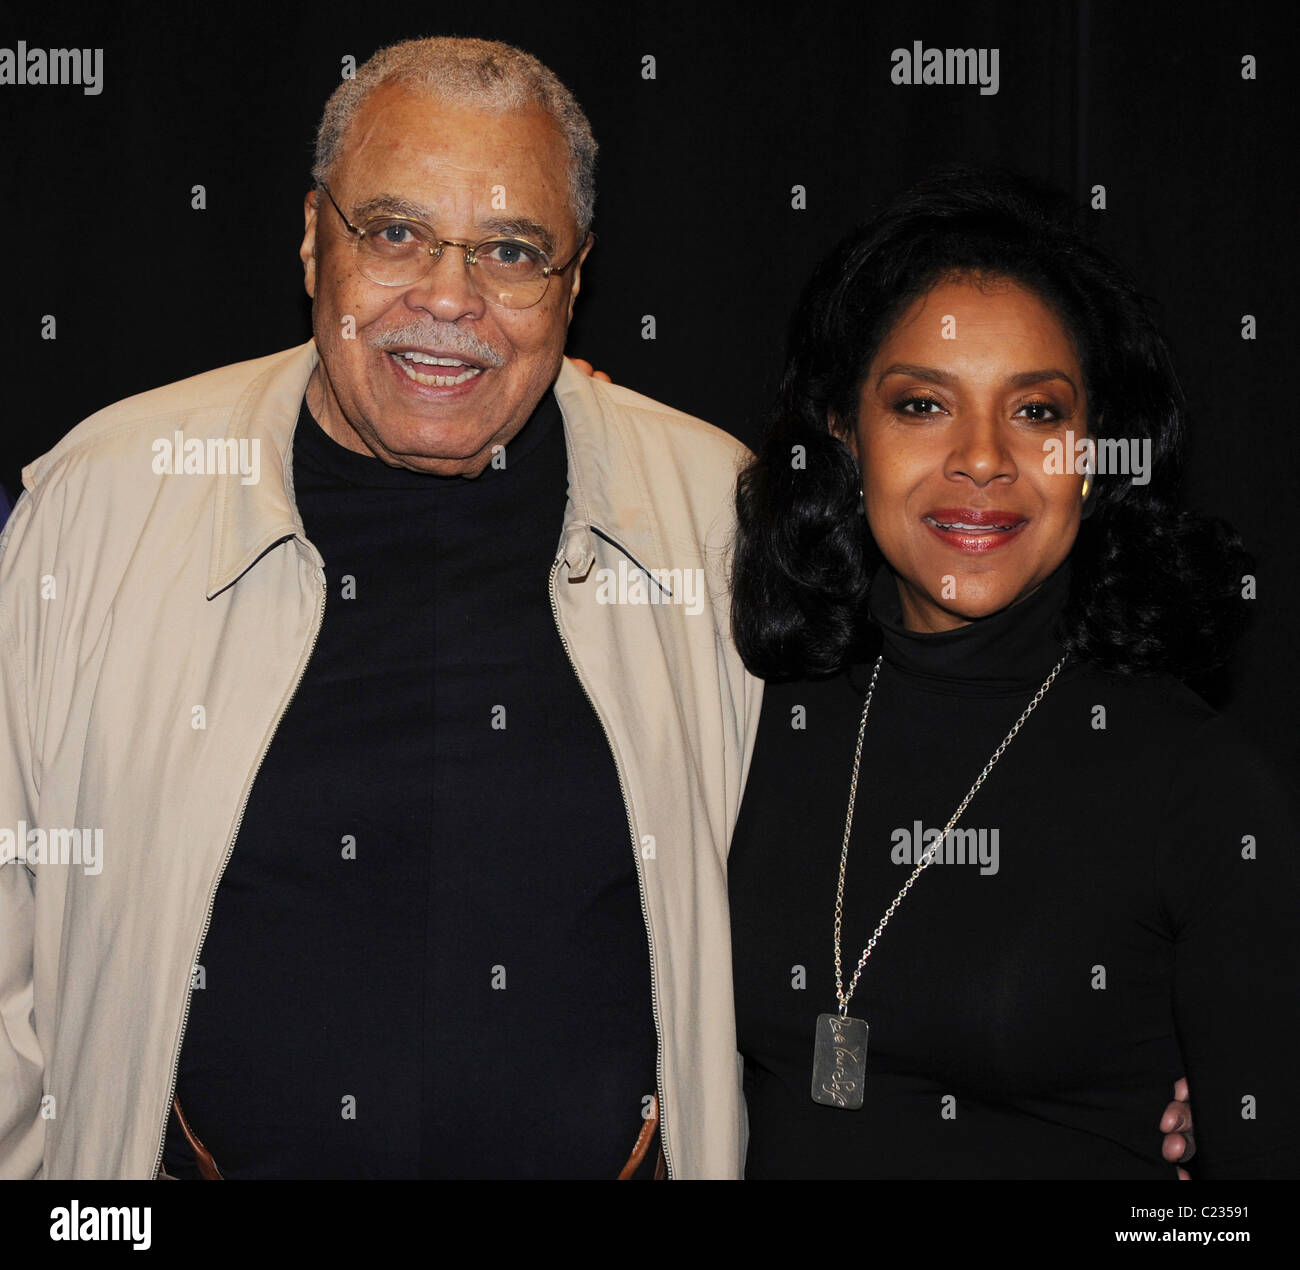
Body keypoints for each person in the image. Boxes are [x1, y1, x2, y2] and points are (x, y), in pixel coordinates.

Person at [0, 36, 759, 1180]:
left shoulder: (711, 513)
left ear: (574, 277)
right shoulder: (106, 492)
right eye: (395, 233)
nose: (448, 299)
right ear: (314, 239)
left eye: (511, 250)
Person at [727, 166, 1298, 1178]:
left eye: (1036, 412)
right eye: (920, 404)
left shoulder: (1196, 785)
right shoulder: (755, 710)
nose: (983, 458)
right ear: (844, 434)